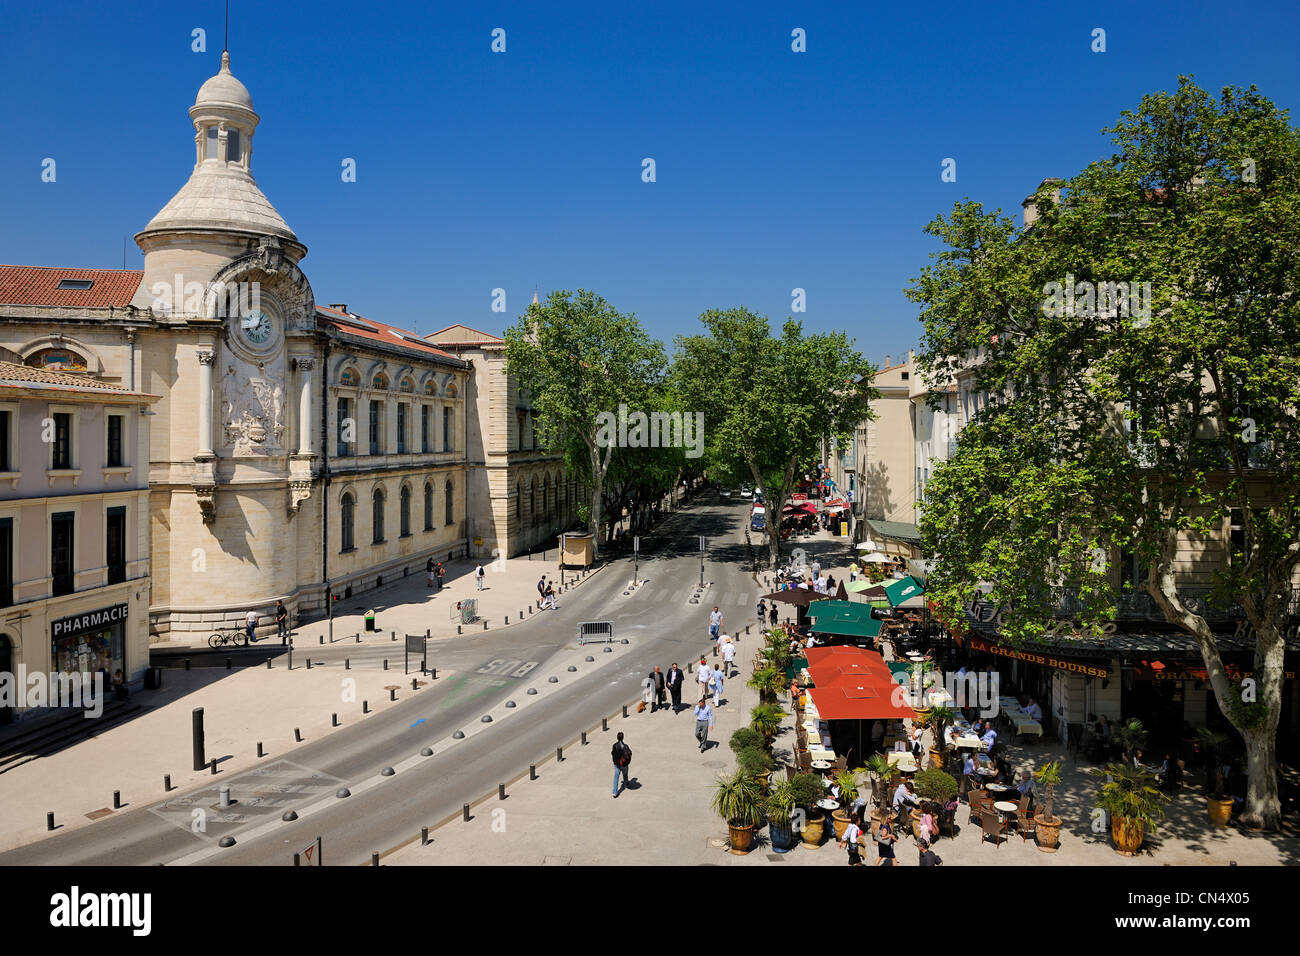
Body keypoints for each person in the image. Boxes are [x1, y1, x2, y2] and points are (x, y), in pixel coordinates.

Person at [611, 732, 631, 798]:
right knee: (625, 774)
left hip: (617, 764)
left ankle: (614, 792)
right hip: (623, 764)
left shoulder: (614, 745)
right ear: (623, 738)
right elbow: (629, 753)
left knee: (616, 777)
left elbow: (612, 753)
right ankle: (627, 784)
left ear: (617, 737)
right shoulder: (625, 746)